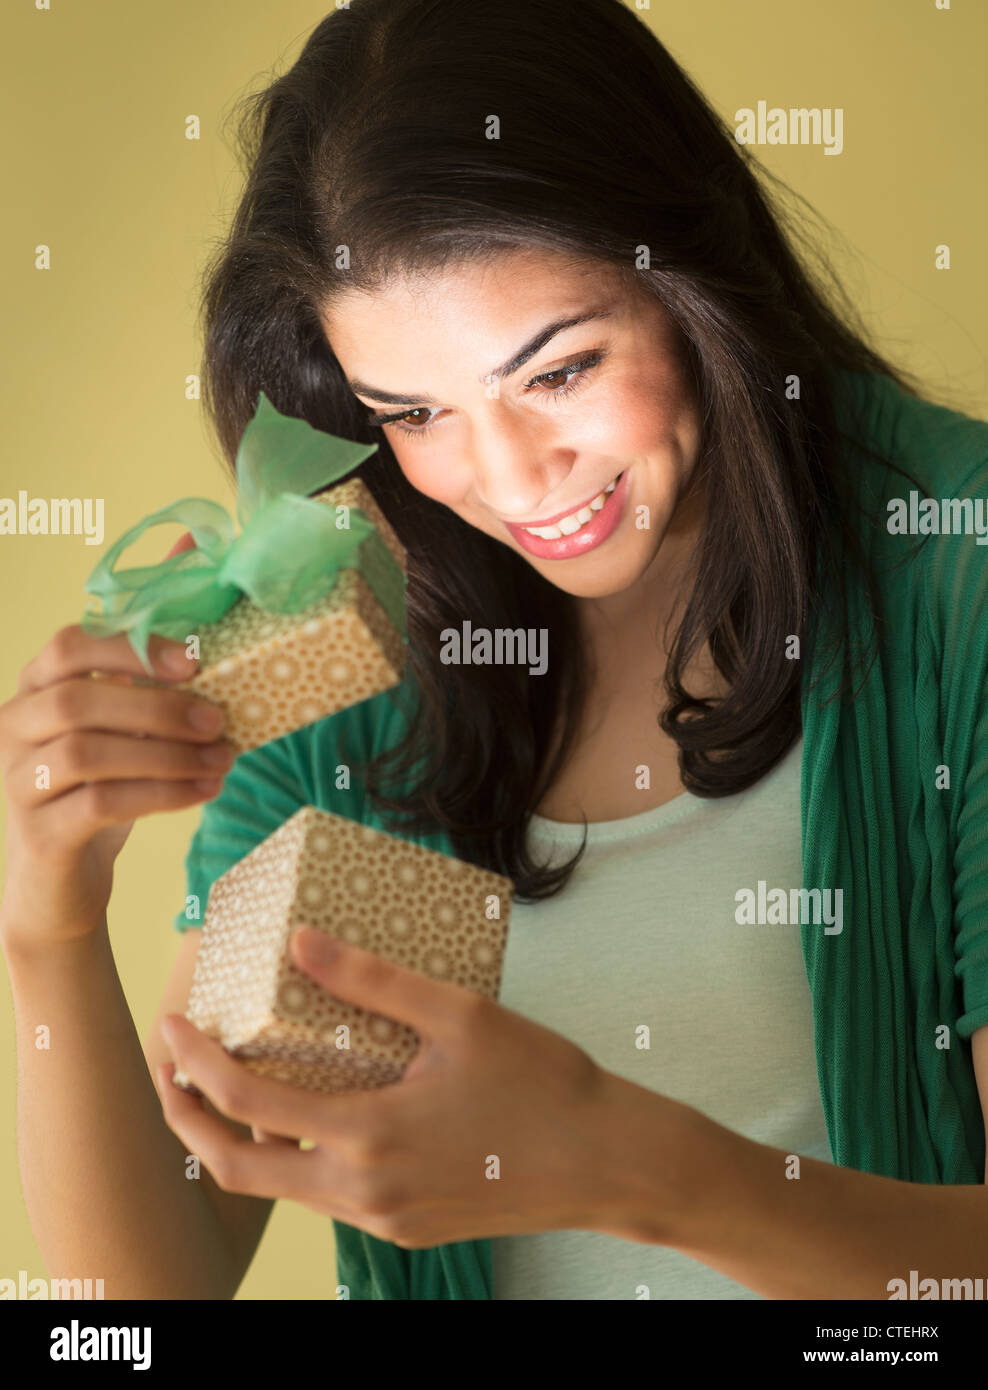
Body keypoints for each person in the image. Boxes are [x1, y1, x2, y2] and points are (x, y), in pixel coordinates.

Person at [3, 0, 988, 1302]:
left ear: (693, 272)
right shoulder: (350, 686)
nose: (513, 479)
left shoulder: (953, 573)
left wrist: (622, 1161)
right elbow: (141, 1312)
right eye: (416, 412)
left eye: (562, 369)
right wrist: (46, 927)